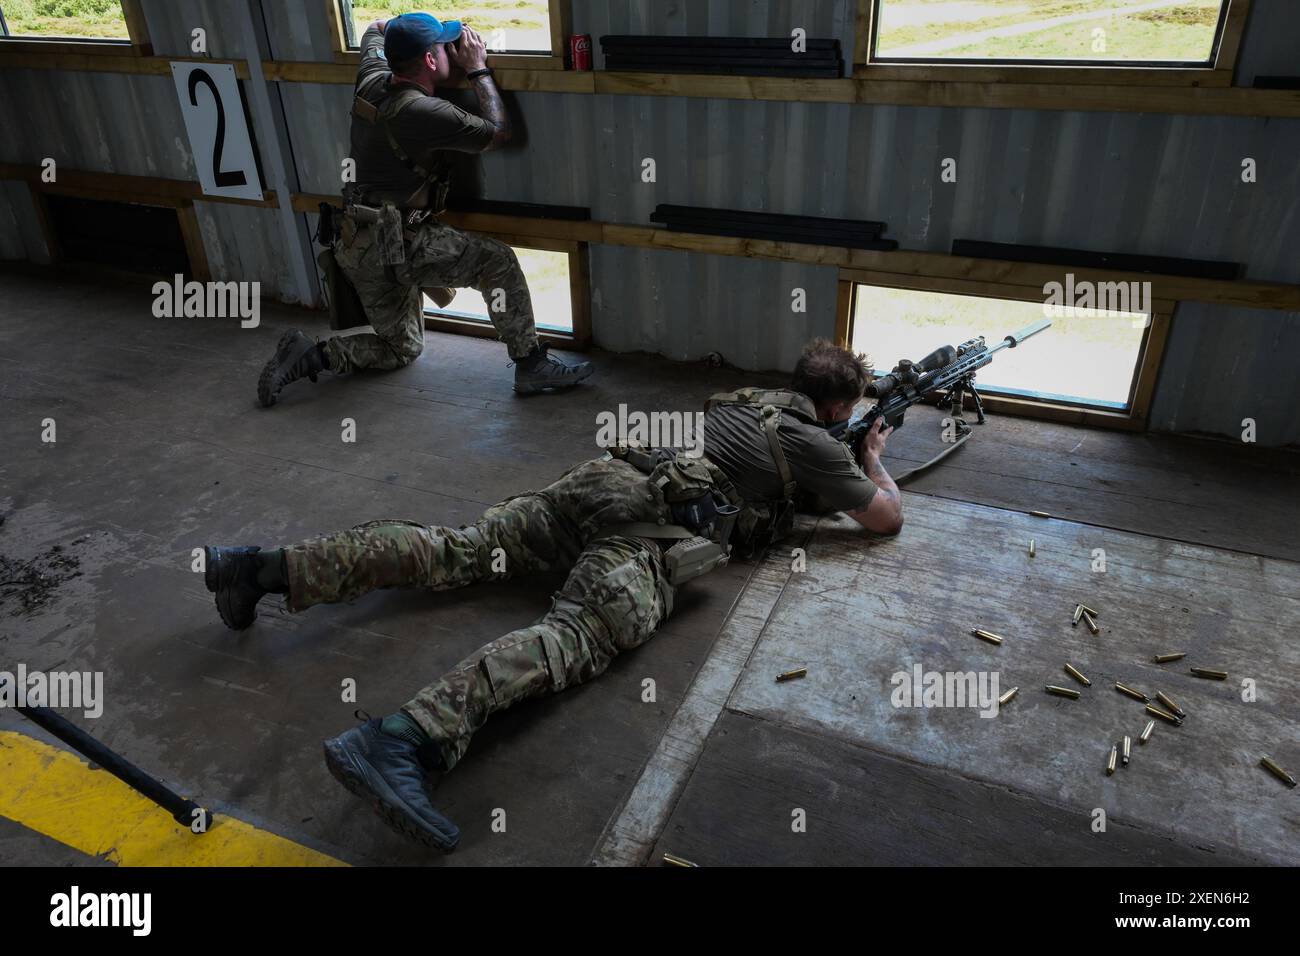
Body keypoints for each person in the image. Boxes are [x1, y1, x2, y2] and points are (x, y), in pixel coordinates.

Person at [207, 339, 901, 850]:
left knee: (462, 547)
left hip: (601, 481)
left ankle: (263, 567)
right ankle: (403, 740)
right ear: (837, 407)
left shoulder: (746, 402)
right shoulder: (823, 445)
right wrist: (872, 459)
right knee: (573, 635)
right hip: (651, 531)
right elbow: (884, 519)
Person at [258, 13, 593, 407]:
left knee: (403, 349)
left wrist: (409, 30)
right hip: (397, 244)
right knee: (497, 261)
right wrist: (478, 68)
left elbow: (376, 27)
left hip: (355, 243)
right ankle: (531, 363)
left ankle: (311, 354)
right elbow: (498, 132)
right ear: (431, 61)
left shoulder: (372, 74)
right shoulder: (420, 111)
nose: (452, 48)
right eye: (443, 45)